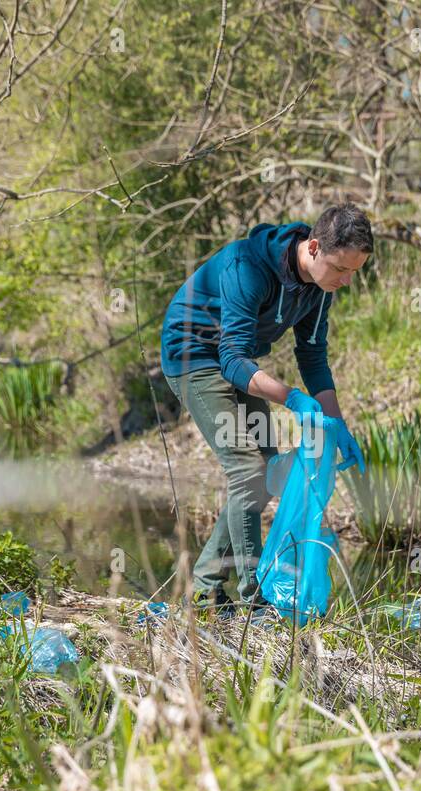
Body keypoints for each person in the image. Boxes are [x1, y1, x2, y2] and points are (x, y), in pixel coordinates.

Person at [160, 202, 372, 618]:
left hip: (237, 361)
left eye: (355, 272)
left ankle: (203, 588)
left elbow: (312, 356)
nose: (346, 280)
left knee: (265, 473)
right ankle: (255, 599)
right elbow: (232, 359)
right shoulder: (249, 267)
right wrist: (292, 398)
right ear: (313, 248)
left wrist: (337, 425)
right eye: (341, 269)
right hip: (194, 357)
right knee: (246, 470)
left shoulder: (319, 287)